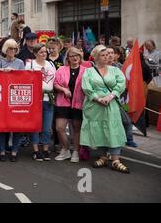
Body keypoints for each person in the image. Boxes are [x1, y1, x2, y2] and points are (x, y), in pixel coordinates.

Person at [81, 45, 129, 173]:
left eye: (107, 54)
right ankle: (102, 156)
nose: (107, 57)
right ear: (96, 57)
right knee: (98, 130)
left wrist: (111, 96)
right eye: (103, 55)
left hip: (111, 104)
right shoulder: (89, 71)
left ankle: (115, 159)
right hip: (95, 105)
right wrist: (98, 98)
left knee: (114, 128)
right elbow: (86, 87)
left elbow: (121, 83)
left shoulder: (115, 70)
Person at [53, 47, 86, 163]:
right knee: (59, 127)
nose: (74, 58)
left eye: (77, 55)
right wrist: (63, 89)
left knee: (77, 128)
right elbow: (55, 83)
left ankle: (76, 151)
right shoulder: (61, 69)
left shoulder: (85, 71)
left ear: (80, 57)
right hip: (63, 102)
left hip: (78, 103)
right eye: (72, 56)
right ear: (68, 58)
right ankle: (65, 149)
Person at [24, 44, 56, 161]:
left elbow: (55, 80)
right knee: (35, 126)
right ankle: (36, 150)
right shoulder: (30, 64)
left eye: (45, 52)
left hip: (49, 98)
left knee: (47, 127)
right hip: (36, 100)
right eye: (41, 52)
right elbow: (25, 80)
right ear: (35, 53)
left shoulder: (50, 64)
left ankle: (46, 149)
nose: (44, 54)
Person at [0, 39, 25, 162]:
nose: (13, 51)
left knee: (16, 126)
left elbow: (25, 78)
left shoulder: (20, 63)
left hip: (16, 98)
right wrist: (2, 71)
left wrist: (14, 73)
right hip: (2, 98)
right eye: (10, 49)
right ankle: (2, 151)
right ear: (5, 50)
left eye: (15, 49)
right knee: (2, 126)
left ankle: (14, 151)